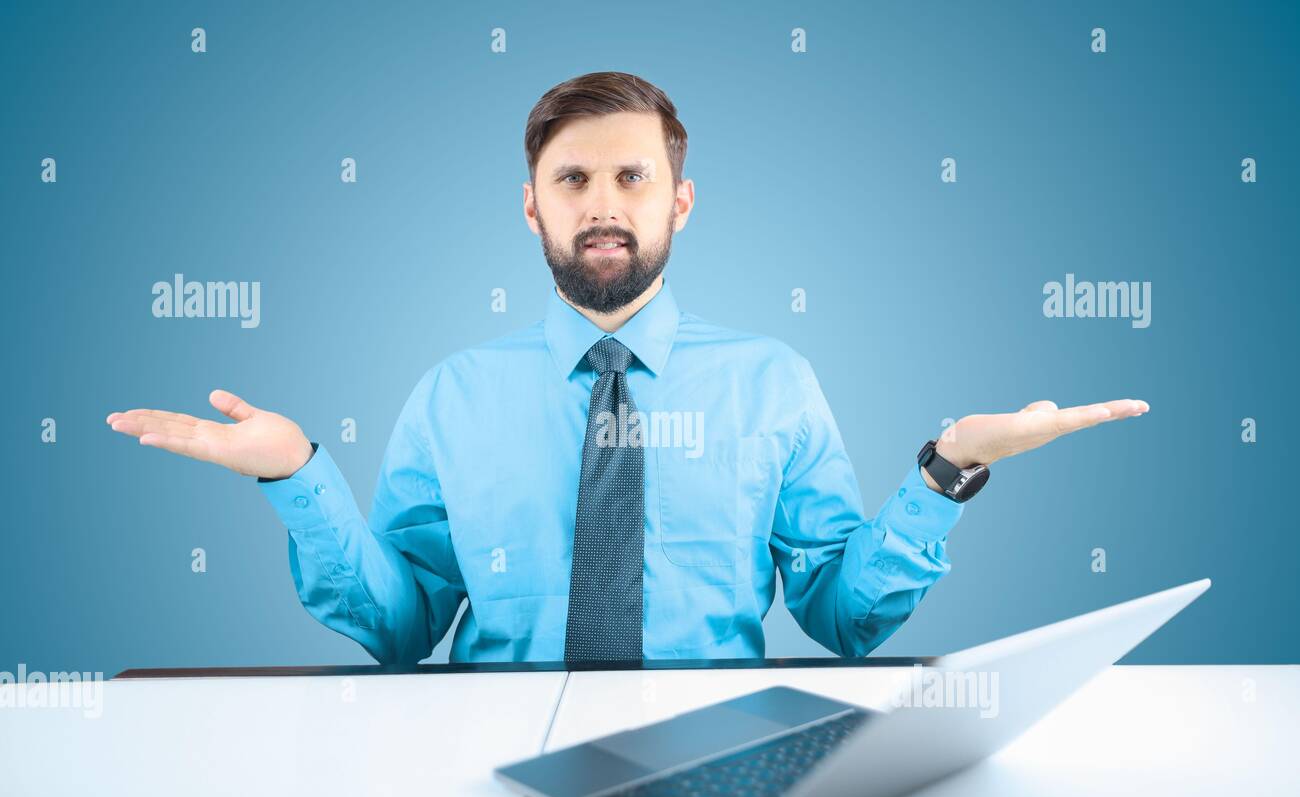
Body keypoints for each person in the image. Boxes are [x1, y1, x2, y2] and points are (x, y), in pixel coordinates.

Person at [106, 71, 1147, 666]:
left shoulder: (771, 380)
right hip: (483, 764)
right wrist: (297, 477)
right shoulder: (453, 394)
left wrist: (944, 474)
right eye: (573, 178)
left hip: (722, 762)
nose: (602, 201)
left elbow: (843, 615)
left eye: (631, 176)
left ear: (677, 202)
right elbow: (402, 625)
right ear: (532, 206)